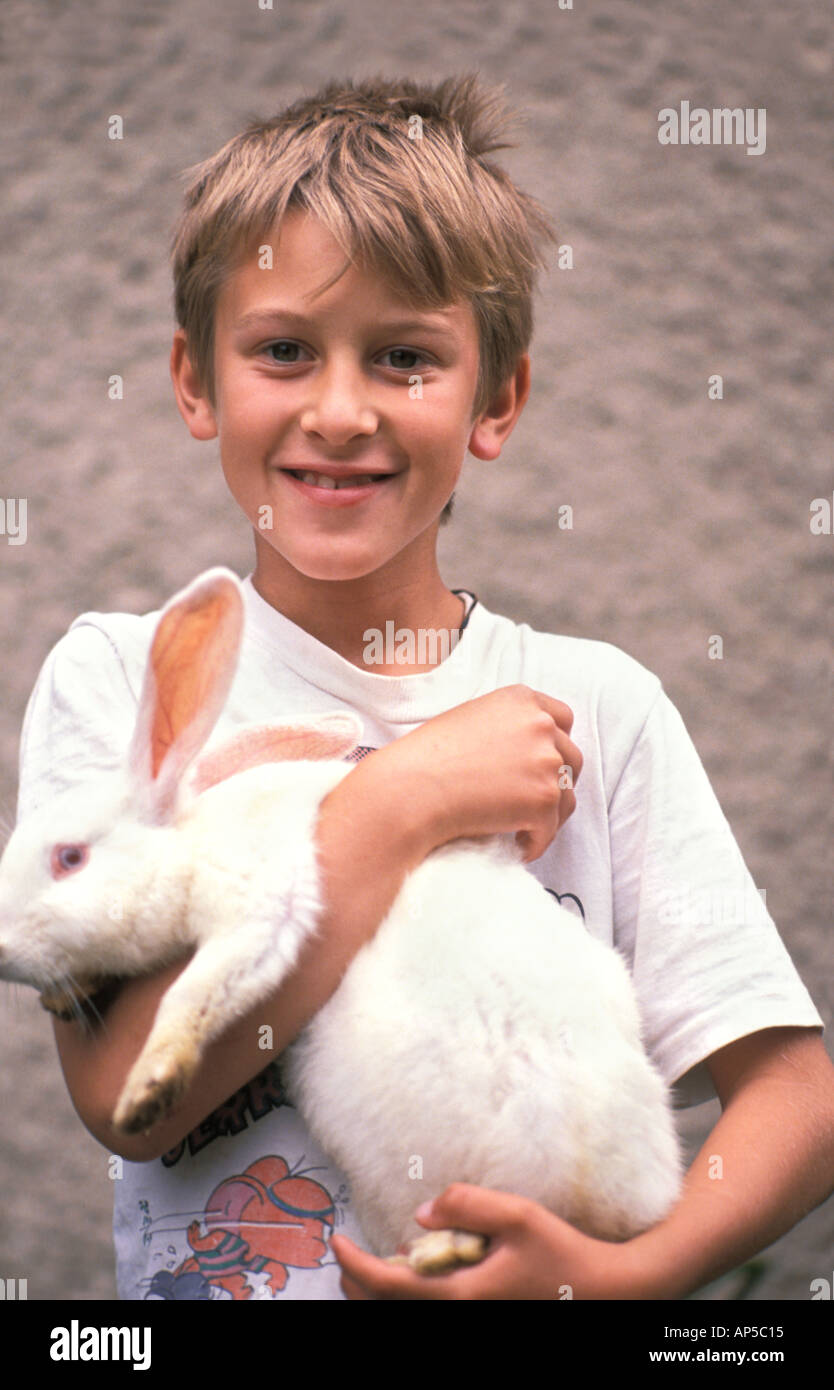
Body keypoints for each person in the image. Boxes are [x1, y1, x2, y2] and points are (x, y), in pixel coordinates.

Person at [16, 73, 834, 1302]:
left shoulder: (595, 706)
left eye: (404, 358)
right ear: (197, 382)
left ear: (494, 399)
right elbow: (127, 1099)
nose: (339, 413)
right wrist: (403, 803)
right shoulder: (117, 683)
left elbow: (797, 1094)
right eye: (284, 350)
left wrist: (619, 1280)